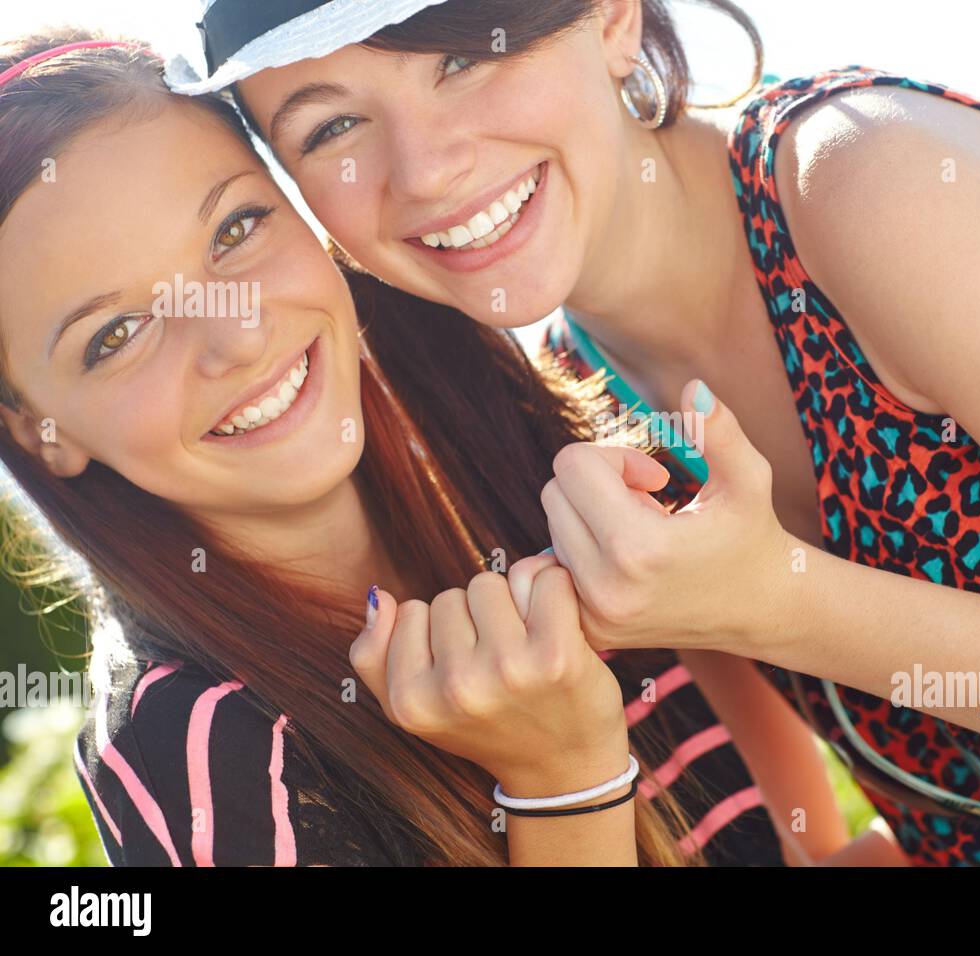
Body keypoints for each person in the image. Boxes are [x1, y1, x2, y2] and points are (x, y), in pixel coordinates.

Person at [199, 0, 980, 864]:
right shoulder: (587, 410)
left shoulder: (865, 183)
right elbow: (818, 829)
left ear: (611, 16)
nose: (425, 167)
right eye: (332, 126)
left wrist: (780, 602)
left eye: (461, 56)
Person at [0, 30, 886, 865]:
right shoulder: (189, 751)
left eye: (235, 230)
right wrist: (561, 780)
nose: (234, 337)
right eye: (114, 335)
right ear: (39, 430)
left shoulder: (529, 455)